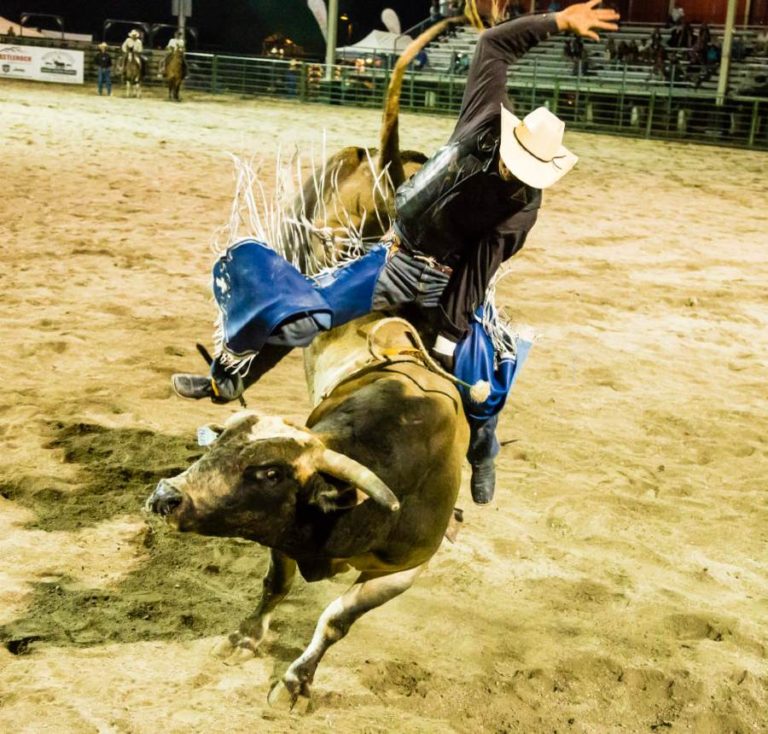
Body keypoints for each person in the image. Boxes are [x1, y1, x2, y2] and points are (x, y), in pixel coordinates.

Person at [172, 1, 620, 504]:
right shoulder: (484, 120)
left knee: (482, 380)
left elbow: (480, 268)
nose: (517, 174)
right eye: (517, 162)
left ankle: (483, 450)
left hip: (452, 283)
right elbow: (495, 45)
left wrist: (449, 335)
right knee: (298, 311)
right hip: (396, 258)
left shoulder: (522, 210)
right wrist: (557, 21)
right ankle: (228, 378)